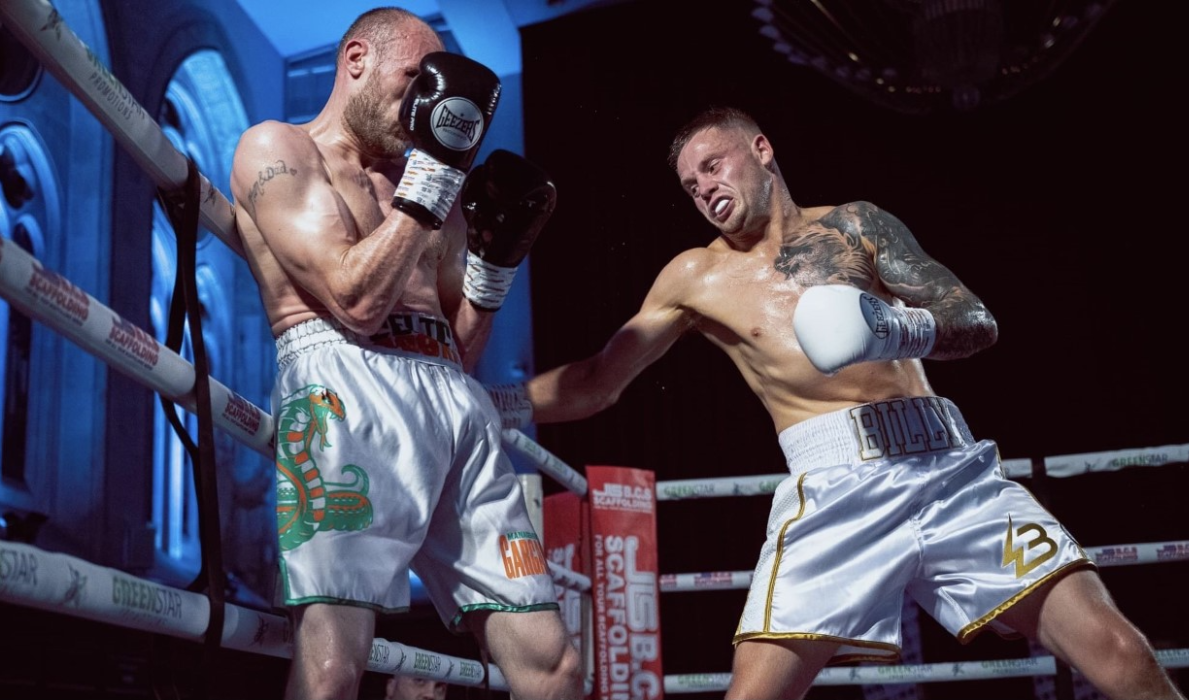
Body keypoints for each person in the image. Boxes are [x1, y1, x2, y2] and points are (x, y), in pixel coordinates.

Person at [493, 106, 1185, 700]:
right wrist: (485, 403)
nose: (704, 188)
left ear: (761, 149)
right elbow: (595, 381)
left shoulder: (859, 225)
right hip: (835, 491)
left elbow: (974, 319)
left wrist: (897, 327)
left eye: (713, 164)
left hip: (950, 474)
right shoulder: (696, 276)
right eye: (690, 183)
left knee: (1120, 653)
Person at [229, 7, 580, 700]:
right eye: (416, 78)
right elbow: (353, 302)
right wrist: (433, 180)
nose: (429, 102)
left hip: (451, 403)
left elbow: (459, 351)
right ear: (356, 59)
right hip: (341, 387)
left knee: (554, 665)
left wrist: (492, 268)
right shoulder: (279, 149)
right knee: (334, 668)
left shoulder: (431, 195)